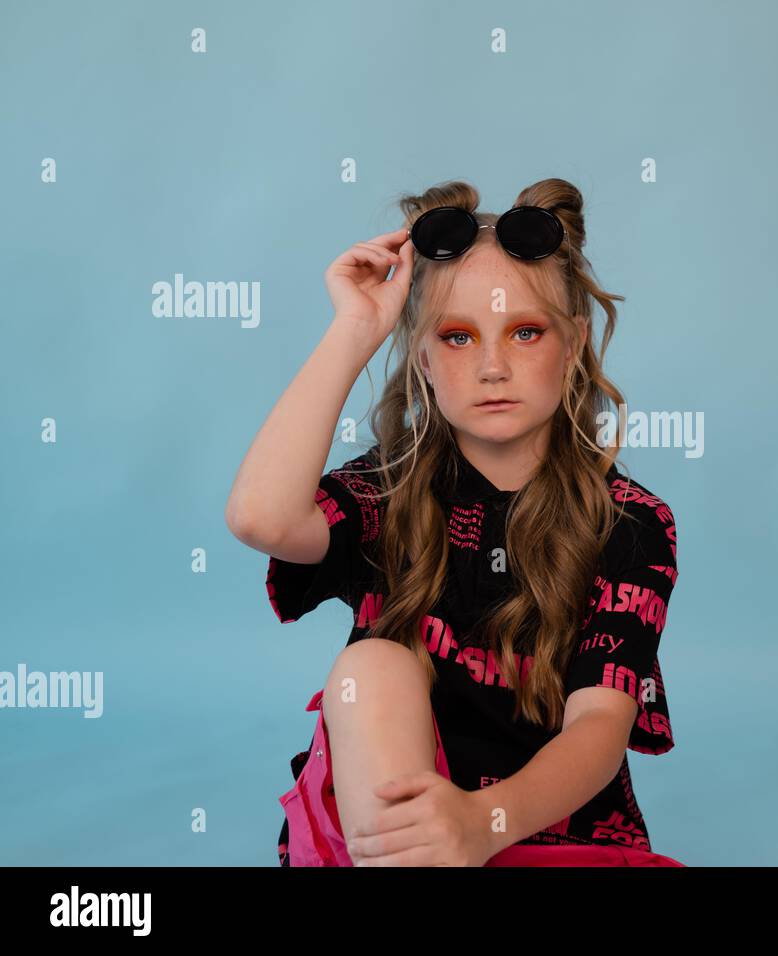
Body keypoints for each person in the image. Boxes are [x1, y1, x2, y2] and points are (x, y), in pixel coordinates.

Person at [225, 178, 683, 867]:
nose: (493, 366)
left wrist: (480, 821)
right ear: (425, 360)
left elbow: (598, 727)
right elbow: (260, 516)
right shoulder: (390, 489)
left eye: (525, 332)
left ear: (573, 344)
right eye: (458, 337)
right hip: (387, 827)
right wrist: (354, 331)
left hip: (537, 826)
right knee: (370, 666)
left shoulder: (632, 522)